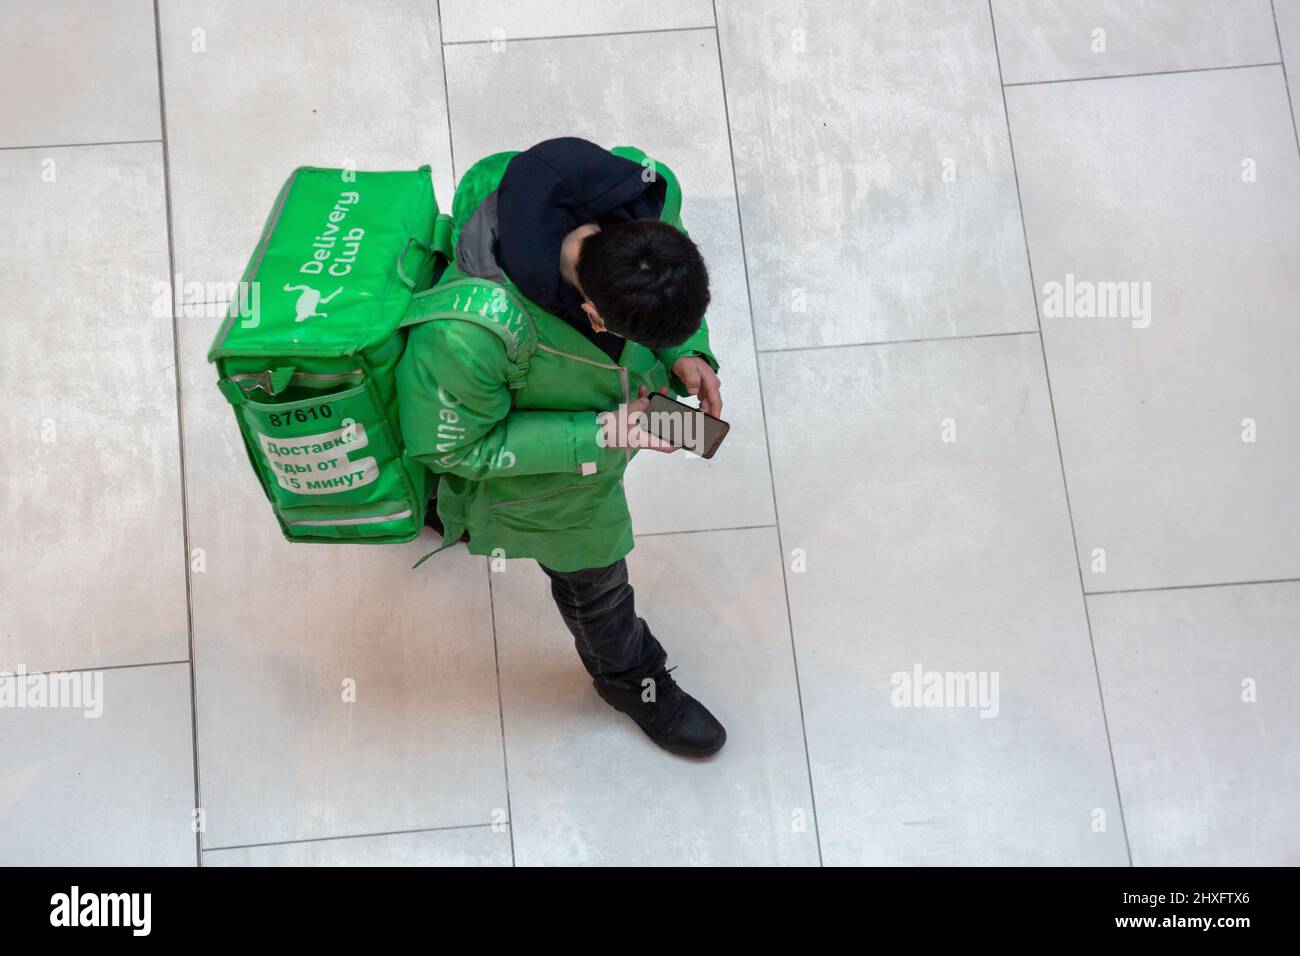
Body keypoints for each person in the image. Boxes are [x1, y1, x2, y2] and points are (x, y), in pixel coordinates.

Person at [396, 137, 727, 757]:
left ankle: (445, 513)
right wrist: (599, 434)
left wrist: (687, 351)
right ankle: (631, 680)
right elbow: (453, 446)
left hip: (564, 406)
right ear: (595, 319)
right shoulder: (465, 339)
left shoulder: (642, 196)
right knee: (595, 584)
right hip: (550, 480)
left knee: (466, 487)